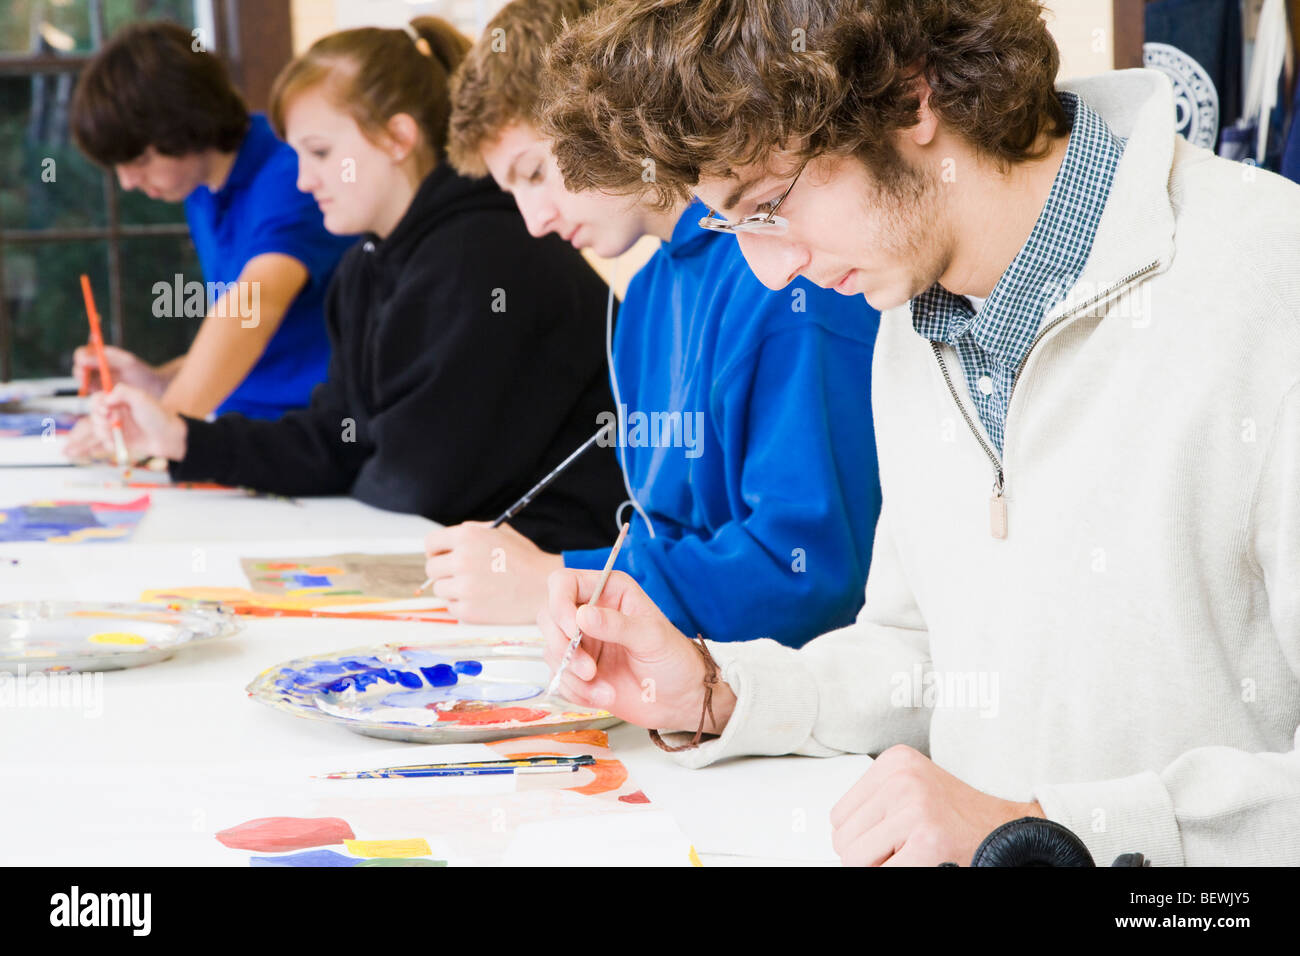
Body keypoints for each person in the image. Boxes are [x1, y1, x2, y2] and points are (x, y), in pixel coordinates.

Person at [536, 0, 1300, 865]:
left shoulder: (1270, 282)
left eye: (766, 207)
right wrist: (718, 692)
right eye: (732, 226)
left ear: (910, 97)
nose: (771, 268)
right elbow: (922, 654)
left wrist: (1044, 833)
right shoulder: (911, 322)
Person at [423, 0, 882, 647]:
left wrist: (562, 580)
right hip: (686, 671)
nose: (534, 221)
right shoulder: (643, 295)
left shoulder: (794, 270)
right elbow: (665, 531)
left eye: (535, 172)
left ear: (599, 115)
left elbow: (809, 576)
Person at [89, 17, 625, 553]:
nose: (303, 180)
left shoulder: (486, 258)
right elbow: (337, 439)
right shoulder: (365, 269)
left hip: (563, 575)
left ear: (397, 138)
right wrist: (182, 438)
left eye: (319, 153)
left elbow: (419, 480)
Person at [66, 21, 354, 459]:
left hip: (306, 443)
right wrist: (161, 380)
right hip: (244, 431)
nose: (127, 182)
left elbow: (253, 308)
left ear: (190, 125)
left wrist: (161, 426)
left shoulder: (288, 172)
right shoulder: (201, 189)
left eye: (140, 159)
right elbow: (260, 338)